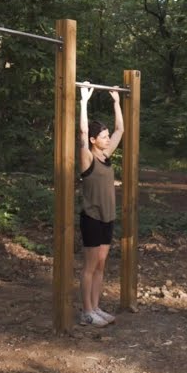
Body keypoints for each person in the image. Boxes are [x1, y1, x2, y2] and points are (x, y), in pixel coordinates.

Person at [77, 83, 124, 327]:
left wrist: (116, 102)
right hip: (92, 217)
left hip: (108, 217)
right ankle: (86, 311)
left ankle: (95, 307)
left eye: (107, 137)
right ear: (94, 140)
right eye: (103, 137)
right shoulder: (87, 158)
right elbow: (83, 132)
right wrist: (84, 102)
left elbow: (120, 129)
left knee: (101, 264)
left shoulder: (106, 155)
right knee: (90, 265)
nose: (107, 139)